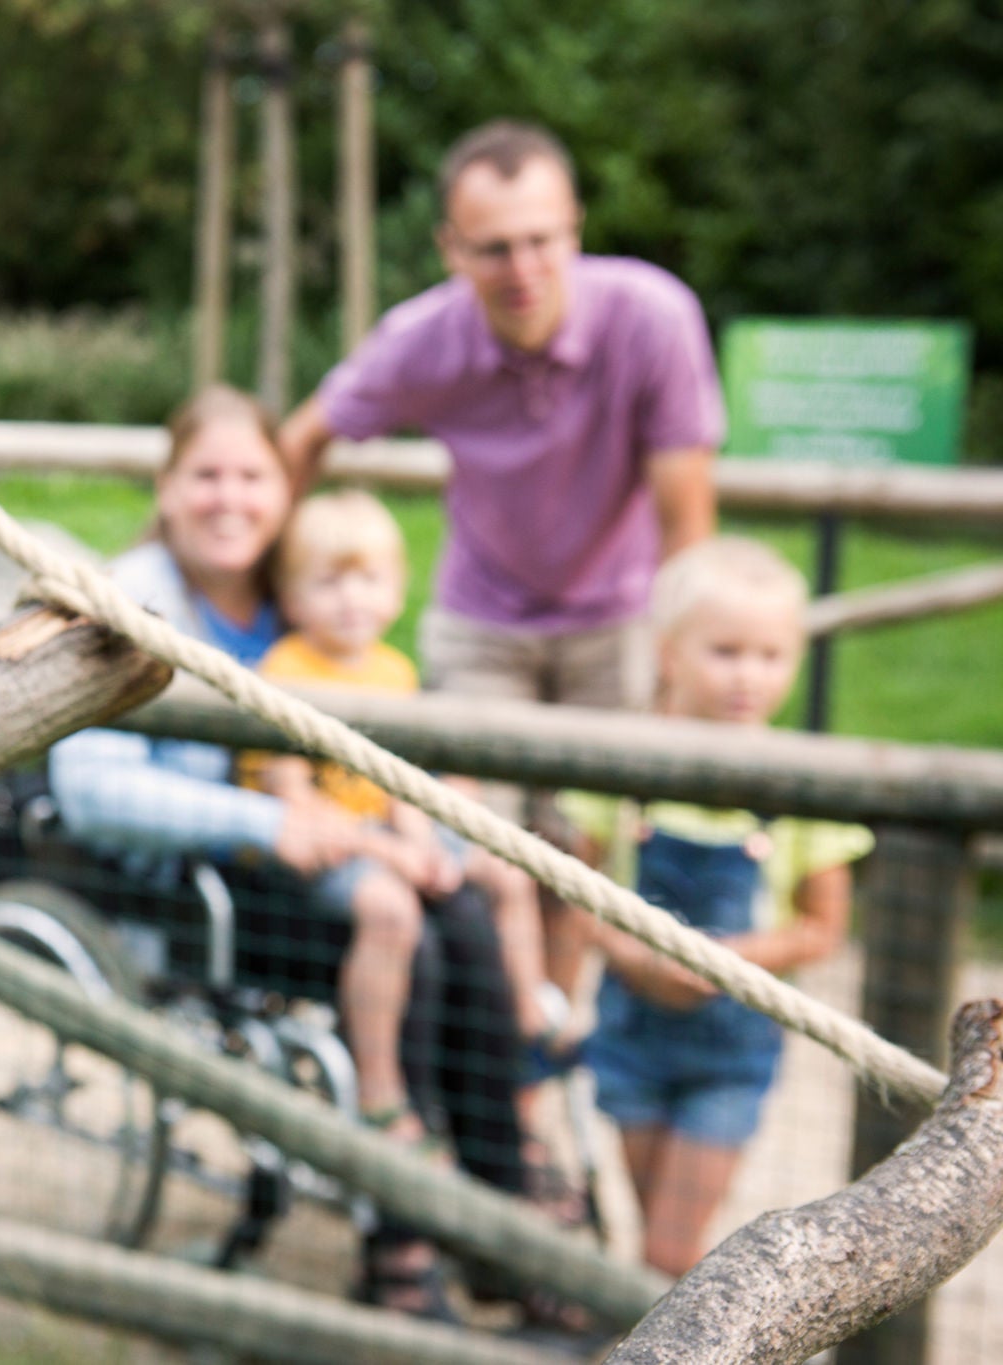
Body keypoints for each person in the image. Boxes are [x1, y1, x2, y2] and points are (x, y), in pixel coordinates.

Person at [48, 388, 526, 1319]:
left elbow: (379, 738)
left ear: (285, 488)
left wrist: (441, 831)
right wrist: (269, 823)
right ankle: (404, 1239)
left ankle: (502, 1209)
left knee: (464, 910)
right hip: (209, 876)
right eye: (208, 476)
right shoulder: (134, 591)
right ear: (169, 485)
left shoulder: (302, 585)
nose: (231, 499)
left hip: (333, 850)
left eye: (252, 476)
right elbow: (91, 784)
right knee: (411, 946)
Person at [277, 117, 727, 995]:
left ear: (575, 229)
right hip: (484, 620)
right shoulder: (424, 336)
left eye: (539, 241)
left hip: (618, 615)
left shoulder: (652, 318)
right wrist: (261, 588)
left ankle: (556, 1039)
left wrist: (680, 668)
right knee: (481, 849)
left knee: (587, 858)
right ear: (451, 248)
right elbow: (303, 437)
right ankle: (502, 1070)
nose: (522, 270)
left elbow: (687, 520)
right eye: (493, 249)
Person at [560, 538, 872, 1276]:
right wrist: (635, 957)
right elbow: (573, 891)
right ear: (669, 653)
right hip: (631, 1033)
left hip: (730, 1050)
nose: (749, 676)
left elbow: (823, 925)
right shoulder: (624, 762)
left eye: (770, 655)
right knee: (651, 1240)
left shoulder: (804, 782)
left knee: (672, 1247)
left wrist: (725, 960)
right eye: (726, 651)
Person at [236, 489, 557, 1141]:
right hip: (320, 843)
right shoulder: (285, 669)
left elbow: (402, 784)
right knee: (392, 911)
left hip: (384, 829)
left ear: (396, 589)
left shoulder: (393, 670)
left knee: (507, 873)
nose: (351, 598)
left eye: (369, 579)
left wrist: (425, 844)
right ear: (292, 597)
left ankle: (530, 1018)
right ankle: (380, 1082)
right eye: (330, 582)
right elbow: (291, 793)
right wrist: (393, 854)